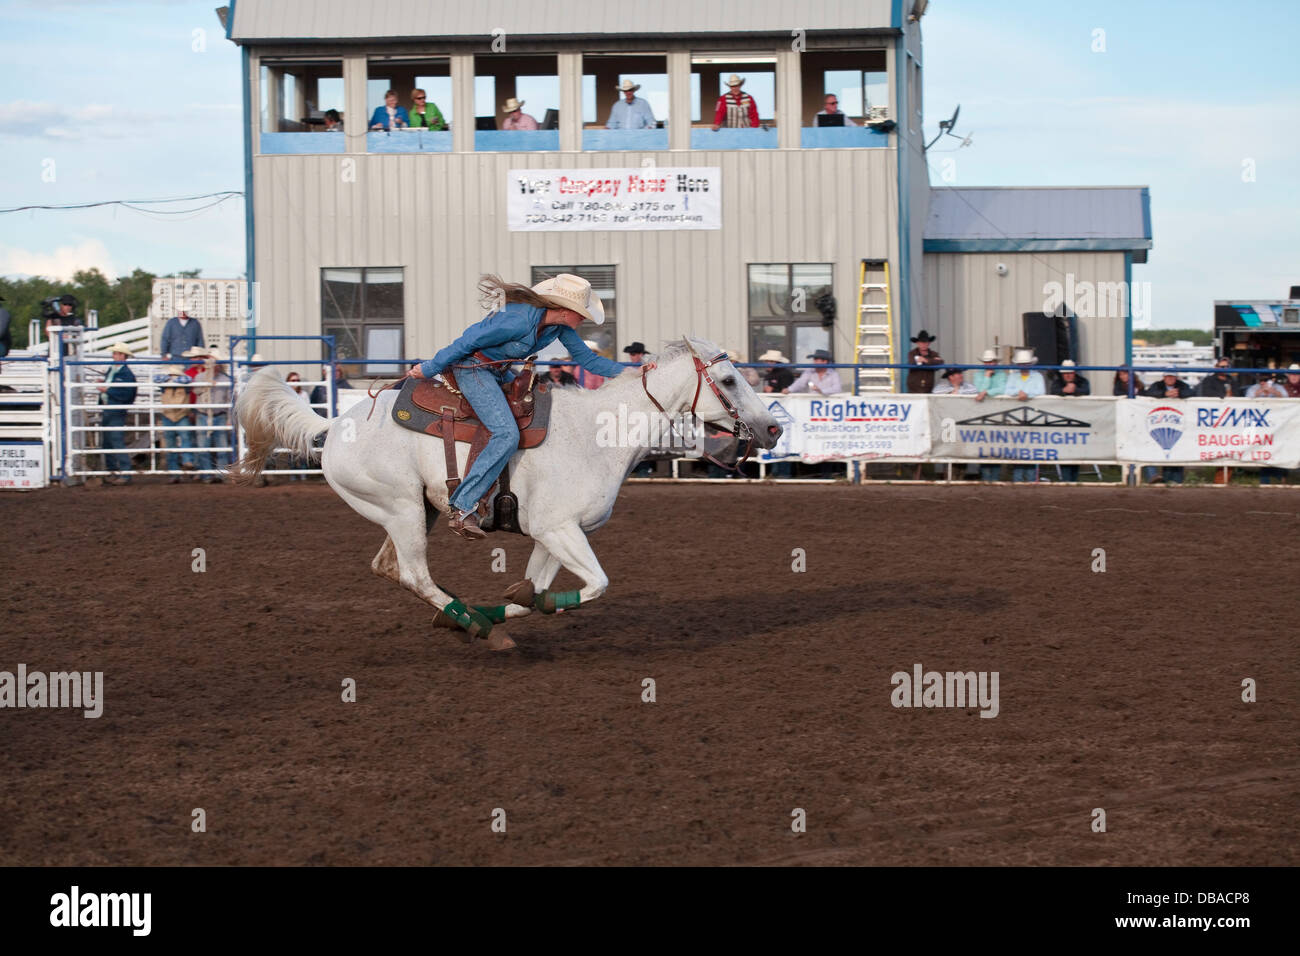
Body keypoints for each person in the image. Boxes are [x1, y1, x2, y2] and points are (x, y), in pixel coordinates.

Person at [408, 273, 626, 538]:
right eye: (581, 314)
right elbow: (468, 342)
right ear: (565, 310)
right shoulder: (518, 319)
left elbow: (589, 361)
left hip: (497, 371)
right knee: (506, 433)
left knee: (537, 412)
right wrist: (430, 367)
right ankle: (464, 505)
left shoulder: (558, 328)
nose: (584, 319)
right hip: (473, 370)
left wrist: (635, 371)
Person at [96, 341, 137, 484]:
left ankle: (124, 473)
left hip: (116, 408)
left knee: (116, 440)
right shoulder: (115, 370)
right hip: (109, 408)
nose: (115, 356)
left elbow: (127, 393)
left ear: (123, 356)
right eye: (114, 353)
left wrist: (107, 389)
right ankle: (113, 470)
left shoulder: (125, 373)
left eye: (117, 353)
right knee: (108, 441)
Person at [1142, 372, 1193, 485]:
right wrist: (1165, 394)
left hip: (1175, 421)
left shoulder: (1182, 385)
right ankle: (1157, 477)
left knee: (1176, 448)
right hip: (1158, 421)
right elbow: (1148, 393)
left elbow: (1191, 393)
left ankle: (1174, 479)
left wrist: (1179, 394)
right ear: (1164, 377)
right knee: (1154, 446)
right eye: (1168, 376)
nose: (1170, 378)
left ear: (1176, 377)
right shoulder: (1157, 385)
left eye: (1172, 376)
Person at [190, 351, 232, 483]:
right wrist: (206, 383)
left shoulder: (226, 380)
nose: (213, 365)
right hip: (203, 414)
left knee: (222, 447)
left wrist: (229, 419)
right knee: (203, 447)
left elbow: (230, 401)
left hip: (220, 415)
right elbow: (195, 391)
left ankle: (221, 475)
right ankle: (207, 475)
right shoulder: (199, 377)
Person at [1047, 360, 1090, 482]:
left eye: (1070, 372)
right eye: (1065, 373)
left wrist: (1074, 390)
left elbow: (1086, 391)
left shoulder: (1082, 382)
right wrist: (1064, 391)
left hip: (1077, 421)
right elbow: (1053, 392)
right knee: (1064, 452)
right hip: (1061, 423)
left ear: (1074, 372)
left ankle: (1072, 480)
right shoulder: (1057, 383)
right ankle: (1067, 480)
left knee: (1076, 453)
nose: (1068, 375)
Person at [157, 364, 195, 482]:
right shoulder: (165, 383)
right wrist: (170, 380)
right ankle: (175, 472)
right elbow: (156, 379)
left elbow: (188, 379)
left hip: (180, 414)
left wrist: (172, 380)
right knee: (171, 444)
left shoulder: (185, 383)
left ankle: (187, 461)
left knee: (184, 439)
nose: (173, 377)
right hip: (169, 415)